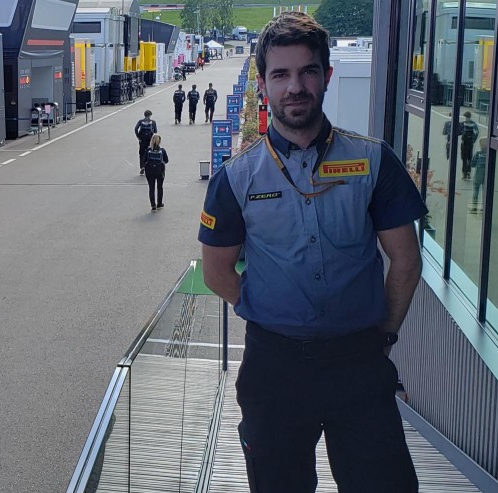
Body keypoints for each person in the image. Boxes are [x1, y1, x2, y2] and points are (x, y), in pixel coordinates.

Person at [198, 12, 424, 492]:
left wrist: (382, 336)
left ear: (327, 76)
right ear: (263, 84)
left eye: (307, 72)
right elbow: (216, 271)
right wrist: (268, 311)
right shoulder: (235, 178)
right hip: (274, 369)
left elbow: (405, 260)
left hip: (360, 364)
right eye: (280, 74)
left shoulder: (373, 161)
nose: (294, 86)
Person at [144, 134, 168, 211]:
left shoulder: (148, 150)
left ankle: (153, 205)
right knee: (159, 187)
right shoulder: (162, 150)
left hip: (149, 171)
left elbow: (144, 160)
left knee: (151, 187)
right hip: (159, 171)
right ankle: (159, 203)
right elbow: (166, 160)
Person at [134, 110, 158, 175]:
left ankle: (142, 166)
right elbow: (155, 131)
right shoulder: (153, 122)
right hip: (150, 139)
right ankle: (149, 167)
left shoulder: (140, 121)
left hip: (142, 139)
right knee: (150, 152)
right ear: (150, 115)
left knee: (141, 153)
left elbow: (136, 128)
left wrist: (138, 136)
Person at [459, 111, 480, 180]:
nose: (466, 118)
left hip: (465, 143)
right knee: (467, 158)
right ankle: (467, 172)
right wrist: (473, 140)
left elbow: (459, 131)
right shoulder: (473, 124)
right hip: (468, 143)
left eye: (466, 117)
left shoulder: (464, 124)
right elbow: (476, 132)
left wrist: (473, 140)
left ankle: (466, 173)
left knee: (466, 158)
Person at [470, 137, 488, 213]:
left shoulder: (478, 153)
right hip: (486, 173)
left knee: (476, 190)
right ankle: (483, 208)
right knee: (485, 191)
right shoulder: (489, 154)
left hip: (478, 173)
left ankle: (474, 208)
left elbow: (472, 164)